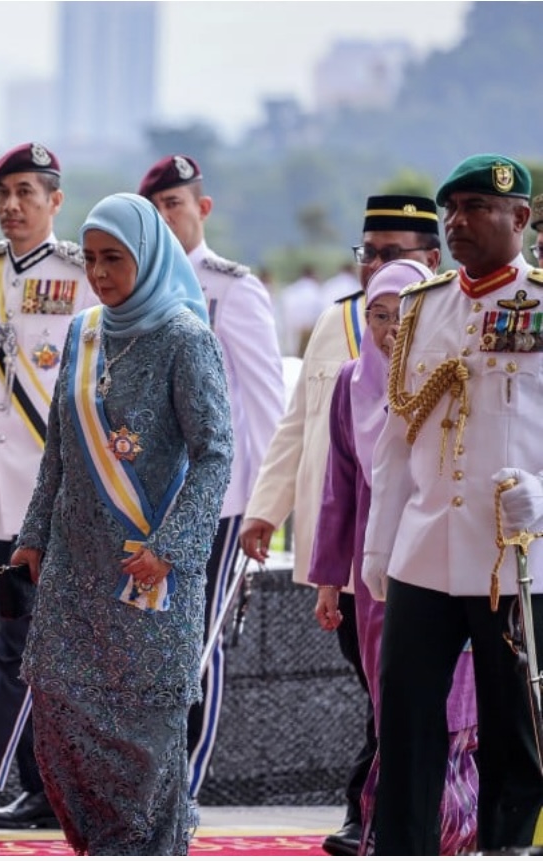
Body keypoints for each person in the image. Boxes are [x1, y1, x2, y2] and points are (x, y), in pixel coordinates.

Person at [11, 192, 233, 854]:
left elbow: (215, 453)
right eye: (91, 259)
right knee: (60, 715)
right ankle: (98, 844)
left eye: (115, 258)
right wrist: (32, 536)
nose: (100, 273)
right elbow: (58, 446)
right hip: (74, 566)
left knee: (142, 738)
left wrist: (173, 546)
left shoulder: (186, 339)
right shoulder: (83, 331)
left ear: (149, 257)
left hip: (148, 571)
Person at [238, 194, 442, 856]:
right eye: (367, 252)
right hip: (349, 544)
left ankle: (371, 810)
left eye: (391, 254)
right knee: (375, 680)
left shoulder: (451, 327)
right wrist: (266, 509)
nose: (374, 265)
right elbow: (299, 422)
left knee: (400, 688)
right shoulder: (338, 322)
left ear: (431, 260)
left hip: (426, 550)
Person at [363, 154, 543, 853]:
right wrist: (379, 545)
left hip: (513, 555)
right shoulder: (423, 305)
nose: (458, 222)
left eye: (476, 208)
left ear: (520, 217)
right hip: (425, 548)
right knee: (406, 720)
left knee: (513, 725)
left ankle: (504, 847)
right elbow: (396, 438)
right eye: (453, 209)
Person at [0, 141, 99, 833]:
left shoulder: (82, 273)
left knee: (22, 641)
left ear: (55, 201)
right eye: (2, 194)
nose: (11, 206)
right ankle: (42, 789)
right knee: (13, 636)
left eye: (26, 192)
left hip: (53, 494)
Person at [308, 259, 477, 854]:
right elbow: (339, 487)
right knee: (392, 702)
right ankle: (397, 827)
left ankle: (455, 825)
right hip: (375, 575)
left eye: (404, 316)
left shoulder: (452, 370)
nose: (389, 330)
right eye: (378, 316)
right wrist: (329, 579)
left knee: (455, 702)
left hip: (445, 561)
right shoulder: (351, 382)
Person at [138, 154, 285, 800]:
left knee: (197, 638)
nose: (166, 216)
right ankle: (143, 775)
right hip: (145, 497)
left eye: (175, 203)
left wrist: (269, 502)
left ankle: (184, 784)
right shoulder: (135, 284)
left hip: (215, 500)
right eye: (155, 207)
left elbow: (268, 400)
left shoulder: (232, 289)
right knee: (144, 636)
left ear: (202, 208)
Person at [281, 264, 327, 356]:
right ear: (312, 275)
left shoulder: (291, 290)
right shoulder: (315, 290)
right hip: (309, 330)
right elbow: (321, 312)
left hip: (292, 331)